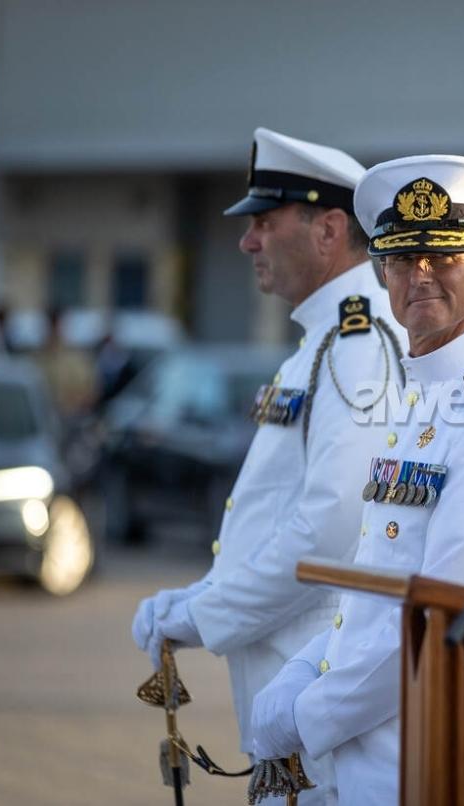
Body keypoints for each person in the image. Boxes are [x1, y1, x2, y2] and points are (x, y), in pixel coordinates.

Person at [248, 155, 464, 804]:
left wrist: (306, 716)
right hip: (369, 757)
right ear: (382, 268)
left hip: (425, 761)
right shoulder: (420, 398)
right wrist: (299, 672)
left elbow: (443, 616)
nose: (420, 274)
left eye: (444, 257)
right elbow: (377, 587)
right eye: (401, 257)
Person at [130, 127, 406, 805]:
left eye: (265, 222)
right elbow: (282, 515)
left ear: (329, 229)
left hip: (317, 697)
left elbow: (334, 528)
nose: (248, 242)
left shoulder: (356, 344)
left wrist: (208, 612)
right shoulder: (323, 341)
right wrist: (198, 596)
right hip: (292, 696)